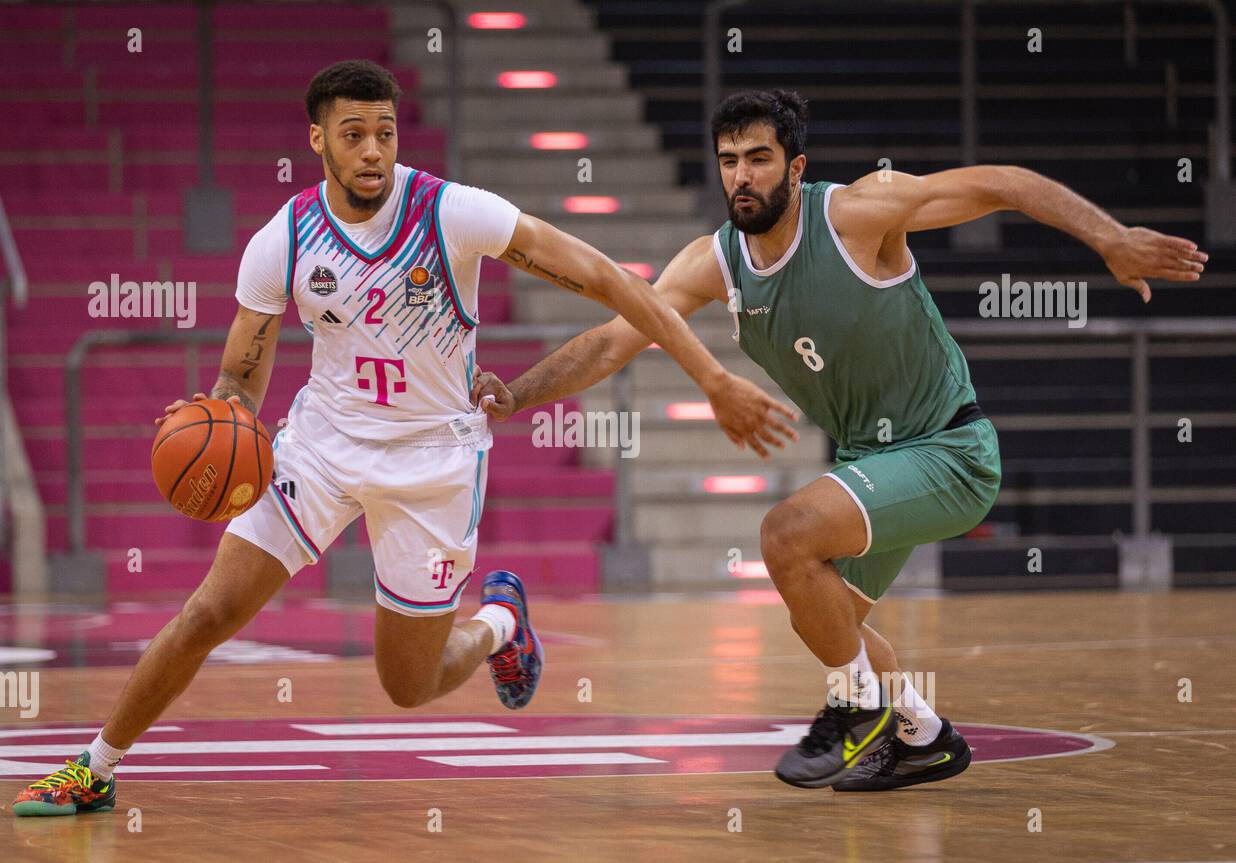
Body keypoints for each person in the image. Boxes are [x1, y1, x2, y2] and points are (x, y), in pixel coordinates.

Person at [11, 62, 795, 816]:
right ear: (317, 139)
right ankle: (96, 768)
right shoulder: (280, 240)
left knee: (406, 687)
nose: (374, 151)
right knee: (207, 613)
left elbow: (611, 281)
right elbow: (241, 375)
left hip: (435, 464)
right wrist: (220, 416)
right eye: (353, 134)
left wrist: (714, 380)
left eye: (384, 132)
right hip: (319, 451)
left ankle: (500, 625)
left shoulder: (454, 213)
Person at [471, 89, 1208, 791]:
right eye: (728, 160)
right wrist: (517, 394)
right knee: (827, 615)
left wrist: (1112, 239)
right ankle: (922, 735)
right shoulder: (713, 261)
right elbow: (610, 342)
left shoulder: (858, 213)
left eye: (758, 158)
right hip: (872, 460)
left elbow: (1004, 182)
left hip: (951, 451)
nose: (741, 175)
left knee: (786, 536)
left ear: (795, 167)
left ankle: (856, 709)